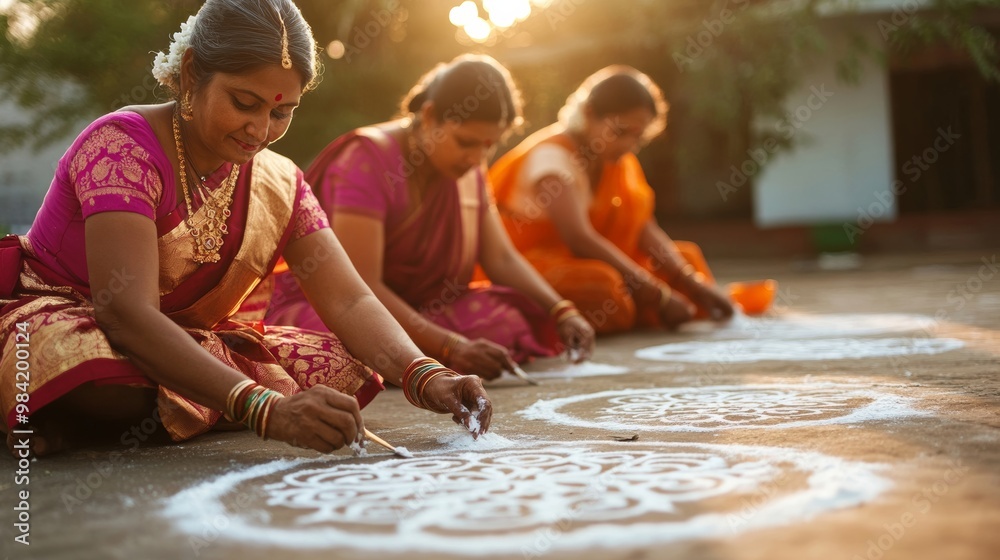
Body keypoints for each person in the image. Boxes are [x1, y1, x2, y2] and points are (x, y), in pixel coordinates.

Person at [0, 0, 491, 457]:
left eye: (281, 112)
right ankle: (146, 408)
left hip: (183, 338)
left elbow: (349, 299)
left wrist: (427, 377)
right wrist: (266, 409)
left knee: (343, 365)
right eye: (244, 102)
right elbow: (124, 313)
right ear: (192, 74)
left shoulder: (280, 180)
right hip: (75, 320)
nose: (260, 130)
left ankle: (128, 416)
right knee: (88, 368)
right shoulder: (122, 147)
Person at [266, 55, 595, 380]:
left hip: (421, 308)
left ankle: (410, 360)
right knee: (336, 347)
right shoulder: (365, 160)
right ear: (429, 116)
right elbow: (361, 288)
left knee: (509, 319)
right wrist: (452, 346)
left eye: (489, 146)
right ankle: (413, 361)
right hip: (346, 306)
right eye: (465, 142)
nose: (477, 158)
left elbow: (502, 259)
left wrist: (562, 310)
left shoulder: (469, 169)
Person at [488, 65, 735, 334]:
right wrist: (658, 294)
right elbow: (579, 239)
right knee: (602, 288)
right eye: (620, 132)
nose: (628, 145)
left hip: (589, 261)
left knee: (687, 258)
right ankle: (638, 309)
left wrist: (688, 280)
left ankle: (645, 305)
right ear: (589, 114)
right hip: (532, 266)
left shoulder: (614, 161)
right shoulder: (552, 159)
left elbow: (643, 227)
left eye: (637, 137)